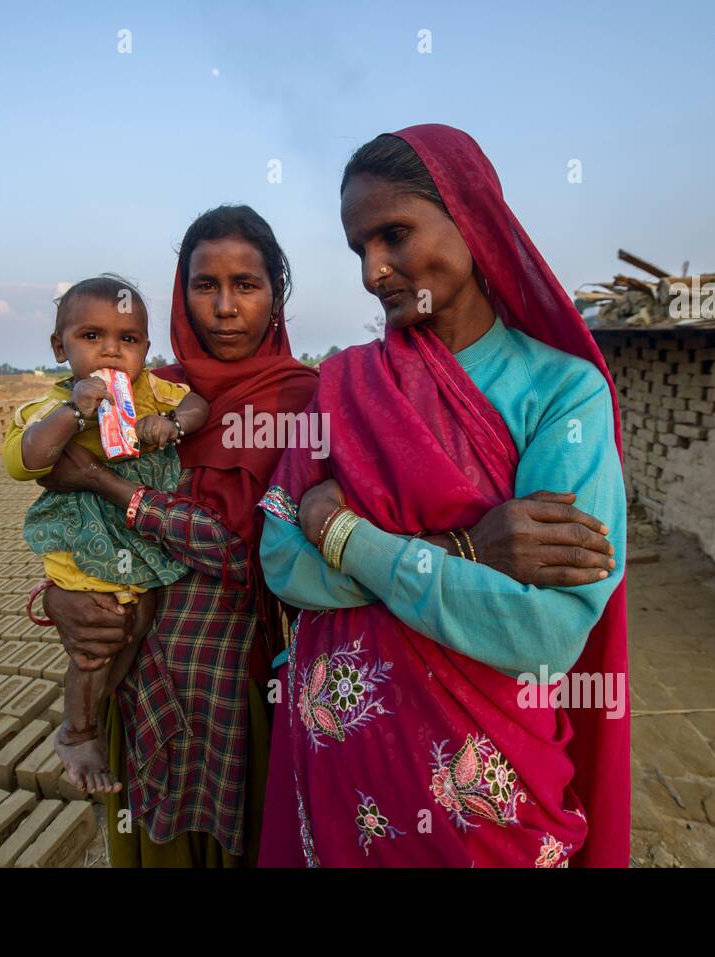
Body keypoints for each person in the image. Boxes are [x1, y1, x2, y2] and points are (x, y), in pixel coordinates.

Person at [257, 125, 630, 867]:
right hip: (341, 769)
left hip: (483, 797)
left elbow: (545, 634)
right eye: (359, 247)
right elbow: (278, 555)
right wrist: (464, 552)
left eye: (393, 234)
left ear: (471, 215)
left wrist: (345, 535)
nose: (373, 271)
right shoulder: (344, 382)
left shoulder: (562, 394)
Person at [33, 206, 319, 866]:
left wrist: (116, 489)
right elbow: (82, 526)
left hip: (240, 696)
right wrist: (54, 598)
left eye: (245, 285)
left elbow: (241, 551)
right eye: (203, 285)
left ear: (276, 295)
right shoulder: (150, 396)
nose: (223, 307)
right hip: (138, 691)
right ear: (178, 293)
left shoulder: (304, 398)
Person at [1, 275, 210, 794]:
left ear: (146, 348)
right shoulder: (50, 406)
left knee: (135, 624)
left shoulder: (152, 392)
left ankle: (98, 707)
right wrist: (76, 412)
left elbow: (197, 403)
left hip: (138, 544)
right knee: (95, 641)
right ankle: (78, 730)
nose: (111, 352)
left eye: (129, 340)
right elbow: (24, 460)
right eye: (91, 337)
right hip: (83, 544)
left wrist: (173, 423)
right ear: (59, 346)